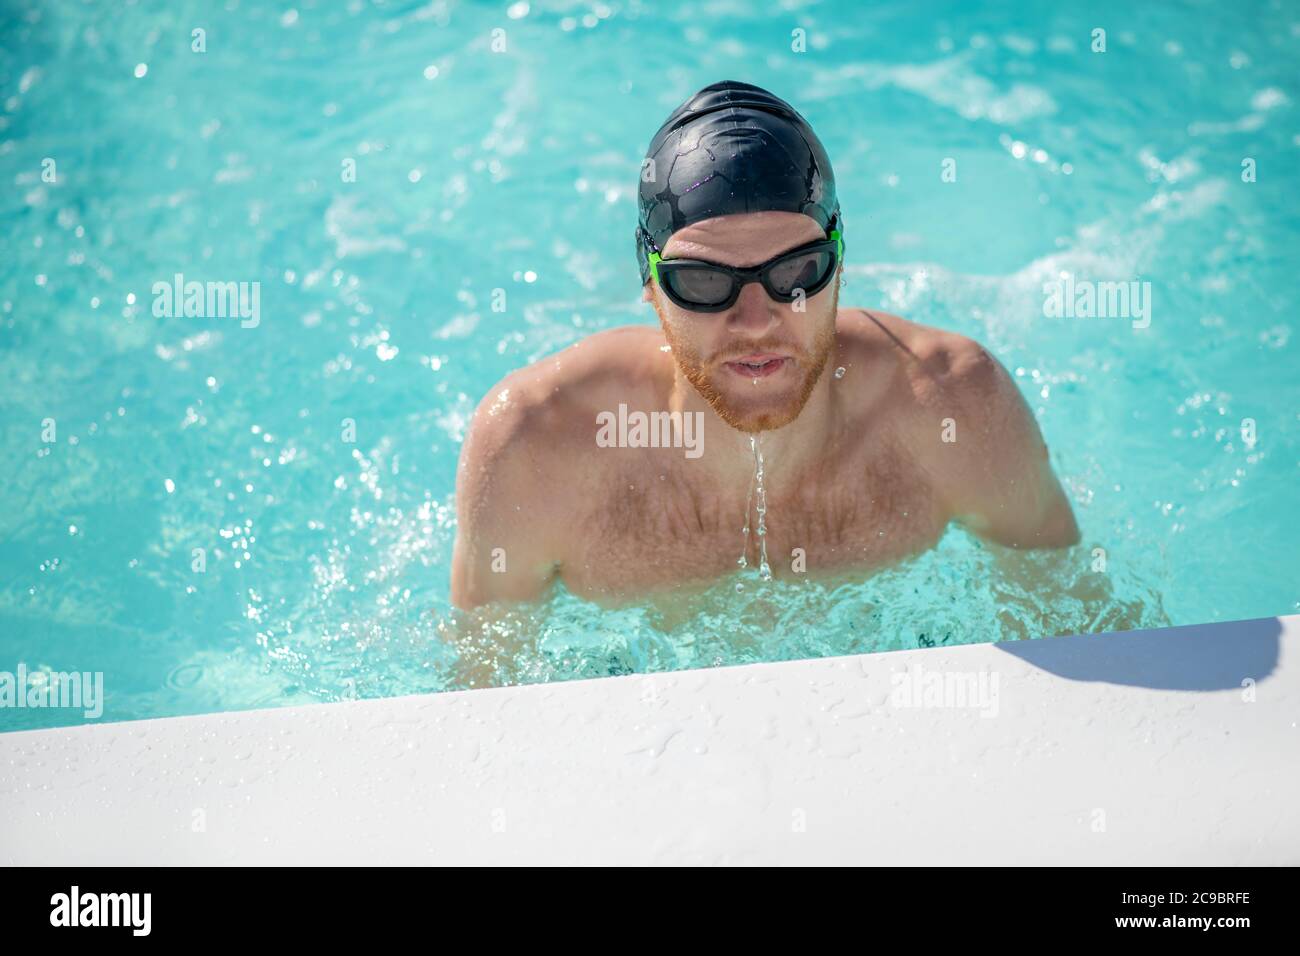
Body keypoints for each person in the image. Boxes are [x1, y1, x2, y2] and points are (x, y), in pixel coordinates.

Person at [451, 80, 1078, 610]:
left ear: (838, 261)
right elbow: (483, 705)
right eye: (702, 282)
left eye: (795, 273)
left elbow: (1079, 621)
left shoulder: (956, 404)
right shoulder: (534, 445)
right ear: (648, 281)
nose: (756, 321)